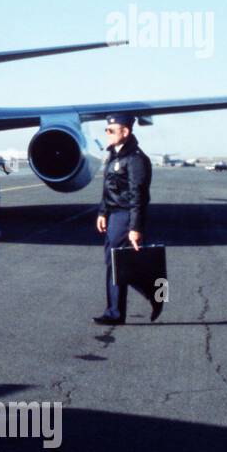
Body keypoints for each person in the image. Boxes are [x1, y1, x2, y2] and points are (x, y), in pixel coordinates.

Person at [94, 113, 163, 325]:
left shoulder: (136, 159)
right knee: (114, 263)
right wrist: (102, 212)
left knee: (116, 263)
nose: (107, 134)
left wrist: (135, 227)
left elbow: (138, 196)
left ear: (125, 132)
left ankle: (118, 311)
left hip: (125, 217)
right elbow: (109, 189)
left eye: (111, 130)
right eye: (106, 130)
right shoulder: (116, 156)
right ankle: (121, 308)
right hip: (114, 215)